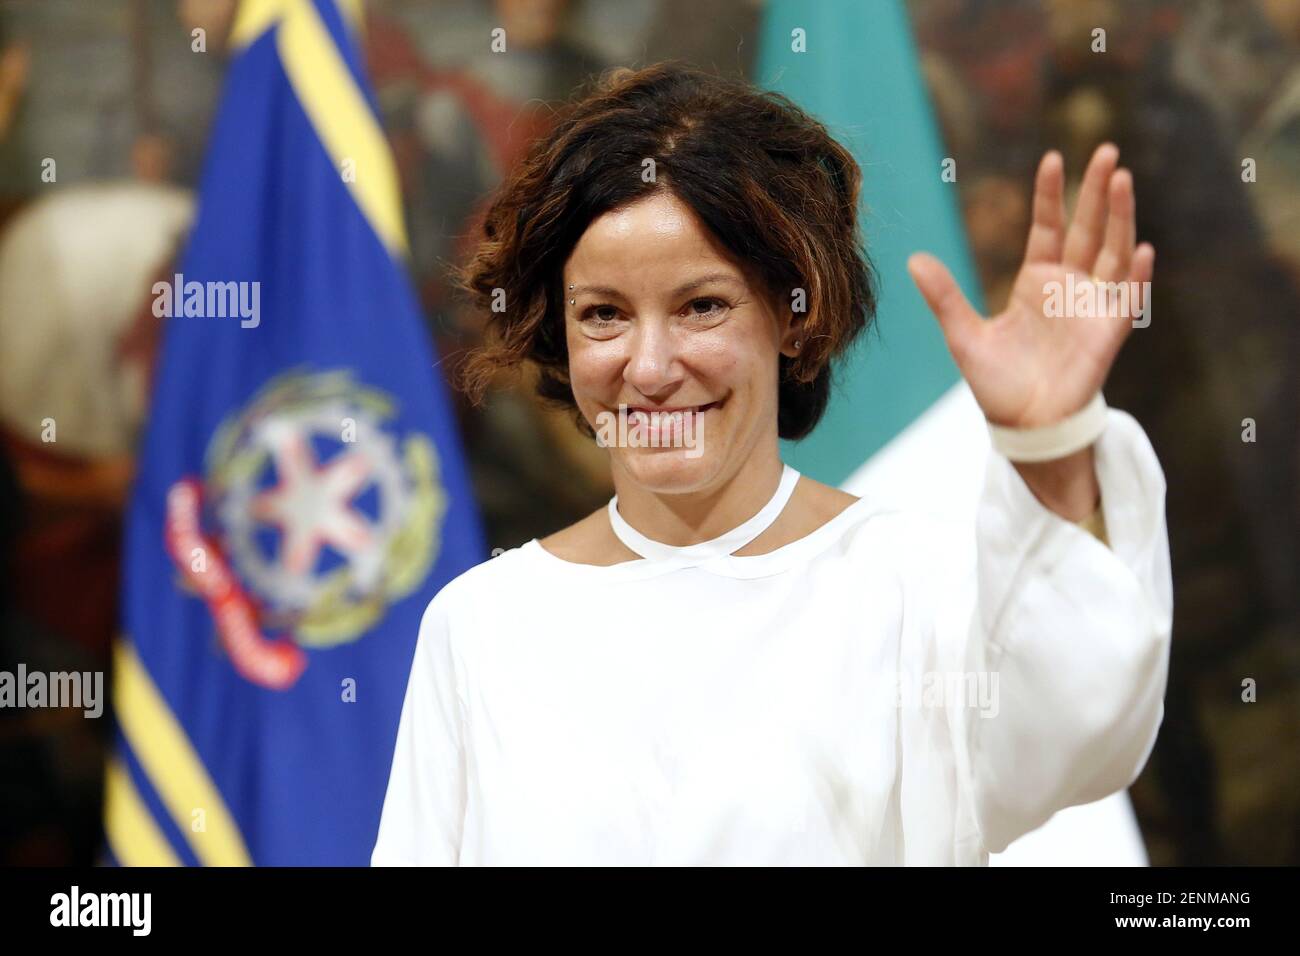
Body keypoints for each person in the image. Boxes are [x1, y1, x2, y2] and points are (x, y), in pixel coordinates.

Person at [371, 63, 1171, 866]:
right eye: (604, 314)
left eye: (702, 306)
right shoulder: (482, 625)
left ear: (796, 314)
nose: (649, 368)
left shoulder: (915, 586)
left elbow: (1087, 721)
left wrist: (1048, 445)